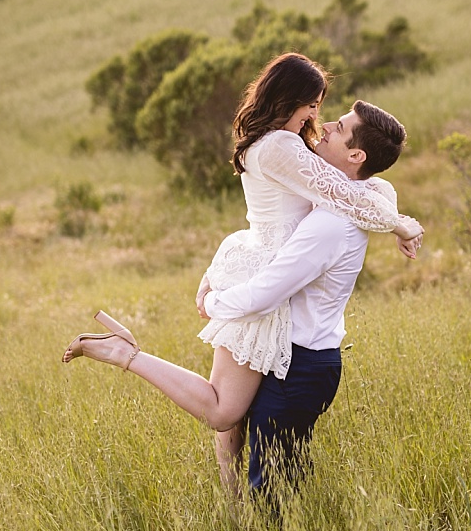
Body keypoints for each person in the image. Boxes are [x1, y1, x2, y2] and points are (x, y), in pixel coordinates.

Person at [63, 53, 422, 493]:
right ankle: (124, 353)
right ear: (289, 98)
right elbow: (345, 194)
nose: (318, 117)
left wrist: (393, 212)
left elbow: (361, 187)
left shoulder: (279, 142)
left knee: (231, 413)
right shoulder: (280, 147)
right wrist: (403, 225)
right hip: (263, 271)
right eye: (312, 104)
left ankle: (235, 512)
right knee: (223, 410)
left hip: (256, 259)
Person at [199, 99, 403, 497]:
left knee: (272, 494)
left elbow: (265, 293)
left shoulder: (329, 224)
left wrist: (211, 304)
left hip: (301, 366)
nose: (325, 126)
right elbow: (377, 189)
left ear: (356, 155)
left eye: (339, 128)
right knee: (277, 478)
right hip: (295, 358)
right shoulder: (346, 200)